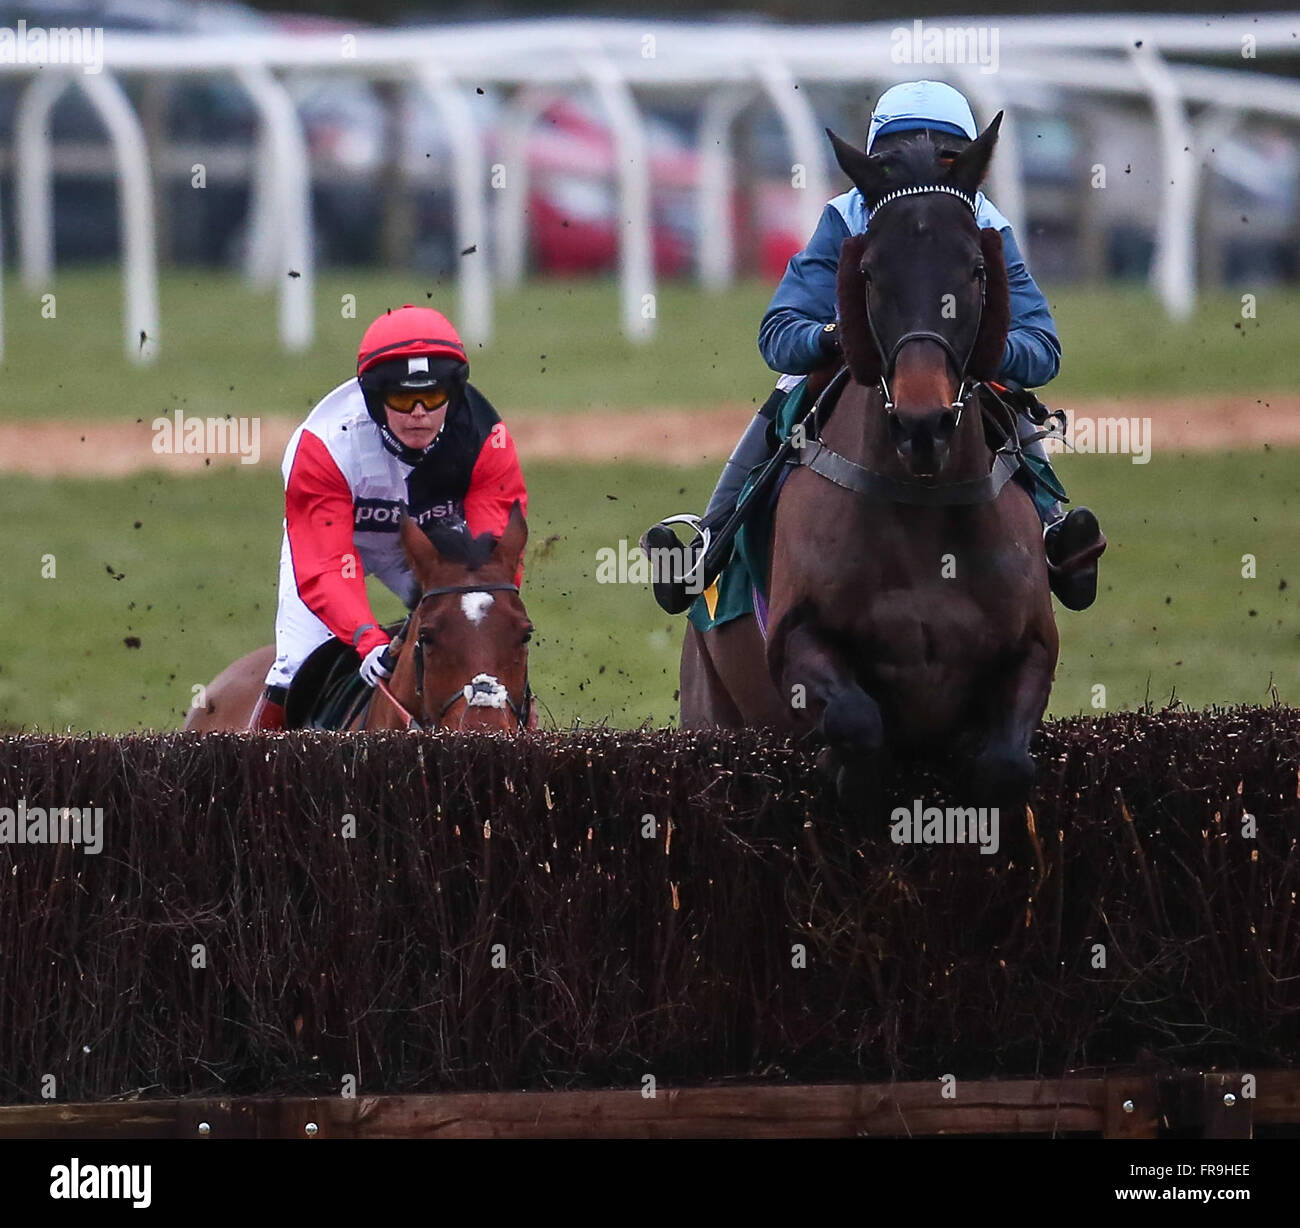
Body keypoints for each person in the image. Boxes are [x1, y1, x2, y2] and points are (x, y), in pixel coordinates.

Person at [643, 80, 1104, 615]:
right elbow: (779, 333)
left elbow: (1042, 347)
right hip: (863, 371)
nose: (924, 170)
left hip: (956, 375)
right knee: (791, 387)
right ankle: (709, 542)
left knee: (1007, 389)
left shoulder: (987, 225)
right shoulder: (844, 218)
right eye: (901, 157)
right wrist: (834, 337)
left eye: (945, 157)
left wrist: (982, 349)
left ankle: (1051, 529)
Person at [247, 305, 527, 730]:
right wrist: (367, 639)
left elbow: (493, 564)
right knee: (294, 667)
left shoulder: (486, 439)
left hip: (429, 546)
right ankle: (256, 785)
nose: (419, 412)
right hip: (335, 548)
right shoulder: (322, 444)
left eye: (433, 397)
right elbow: (324, 566)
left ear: (452, 394)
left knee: (486, 637)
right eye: (402, 397)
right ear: (375, 398)